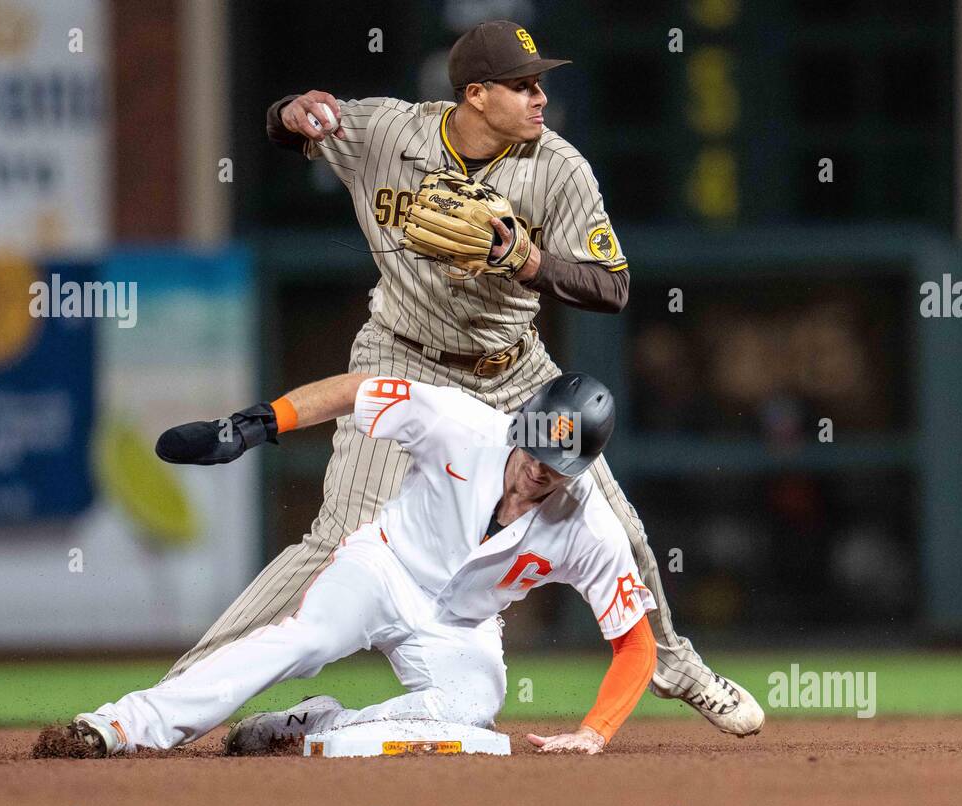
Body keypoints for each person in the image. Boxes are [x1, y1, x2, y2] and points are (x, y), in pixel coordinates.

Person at [161, 19, 761, 735]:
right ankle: (188, 689)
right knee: (334, 539)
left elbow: (612, 288)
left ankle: (674, 665)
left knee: (619, 526)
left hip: (512, 369)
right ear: (475, 94)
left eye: (540, 82)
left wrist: (532, 264)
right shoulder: (388, 133)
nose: (540, 97)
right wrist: (288, 111)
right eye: (523, 85)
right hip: (400, 349)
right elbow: (292, 129)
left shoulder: (557, 165)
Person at [48, 373, 764, 757]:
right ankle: (120, 727)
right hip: (383, 569)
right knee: (305, 640)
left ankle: (311, 729)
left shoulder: (588, 526)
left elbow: (637, 645)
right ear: (522, 423)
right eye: (535, 452)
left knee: (473, 713)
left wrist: (595, 732)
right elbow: (358, 391)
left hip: (461, 625)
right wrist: (255, 424)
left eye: (559, 466)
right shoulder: (460, 424)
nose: (538, 473)